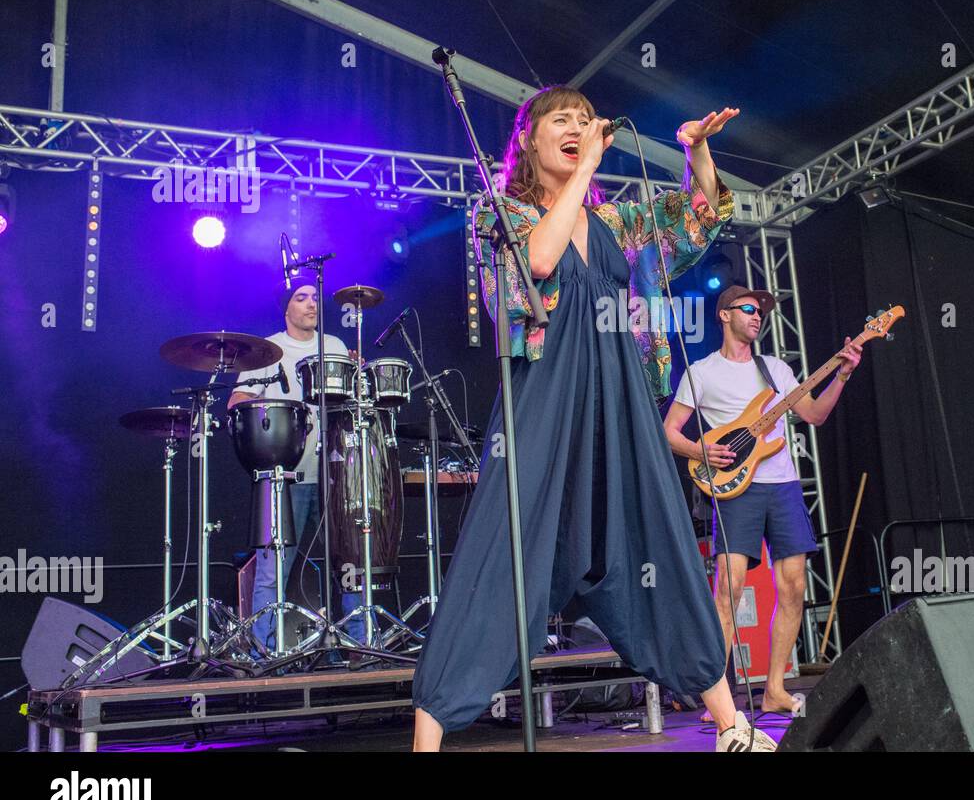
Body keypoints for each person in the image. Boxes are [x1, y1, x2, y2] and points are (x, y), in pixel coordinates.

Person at [411, 86, 777, 752]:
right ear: (529, 138)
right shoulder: (503, 214)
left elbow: (697, 221)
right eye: (563, 120)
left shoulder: (618, 224)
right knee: (503, 552)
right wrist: (582, 173)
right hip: (544, 398)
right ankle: (427, 740)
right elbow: (540, 263)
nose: (579, 128)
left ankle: (731, 725)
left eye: (586, 120)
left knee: (659, 537)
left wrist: (696, 154)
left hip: (621, 397)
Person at [663, 284, 860, 714]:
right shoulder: (702, 372)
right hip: (736, 489)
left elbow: (814, 415)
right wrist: (700, 450)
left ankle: (774, 689)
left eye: (761, 312)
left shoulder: (776, 370)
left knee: (792, 587)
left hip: (783, 485)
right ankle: (720, 701)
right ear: (724, 315)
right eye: (749, 309)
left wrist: (842, 374)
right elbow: (668, 431)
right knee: (728, 590)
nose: (757, 316)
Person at [229, 278, 362, 650]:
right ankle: (263, 649)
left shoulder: (333, 346)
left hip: (336, 472)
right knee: (275, 567)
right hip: (286, 476)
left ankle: (359, 645)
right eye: (301, 298)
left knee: (349, 564)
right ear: (286, 308)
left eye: (315, 298)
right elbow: (237, 402)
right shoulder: (268, 350)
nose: (310, 304)